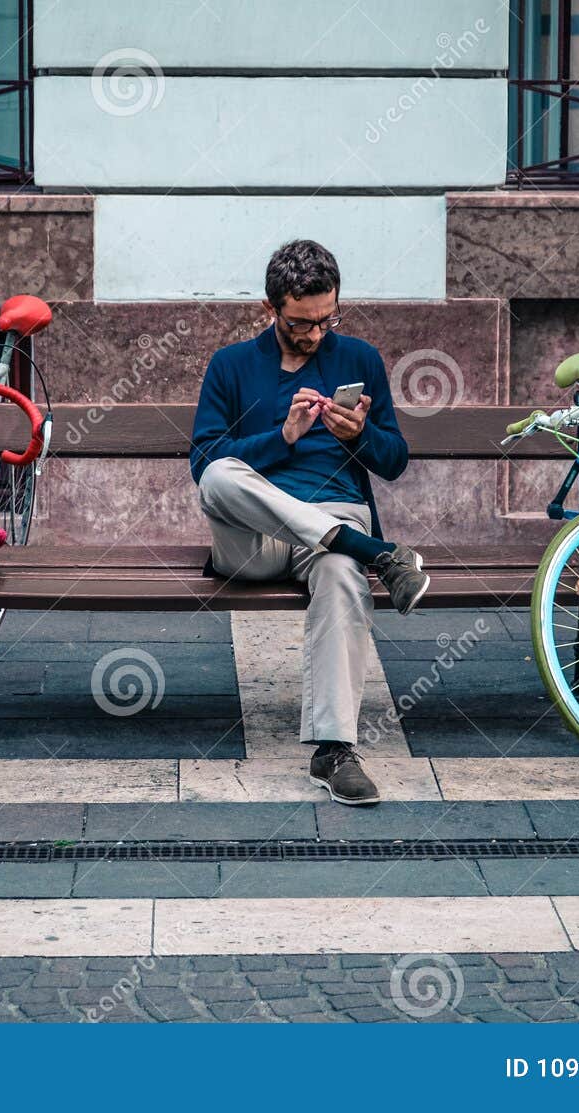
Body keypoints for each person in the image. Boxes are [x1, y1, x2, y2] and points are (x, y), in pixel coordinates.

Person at [189, 239, 429, 807]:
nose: (316, 333)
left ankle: (334, 749)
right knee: (221, 475)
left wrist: (359, 436)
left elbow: (394, 461)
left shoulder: (361, 359)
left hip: (332, 517)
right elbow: (204, 461)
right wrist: (283, 438)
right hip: (252, 538)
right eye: (301, 322)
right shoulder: (230, 365)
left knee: (344, 571)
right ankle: (374, 550)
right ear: (271, 309)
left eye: (327, 319)